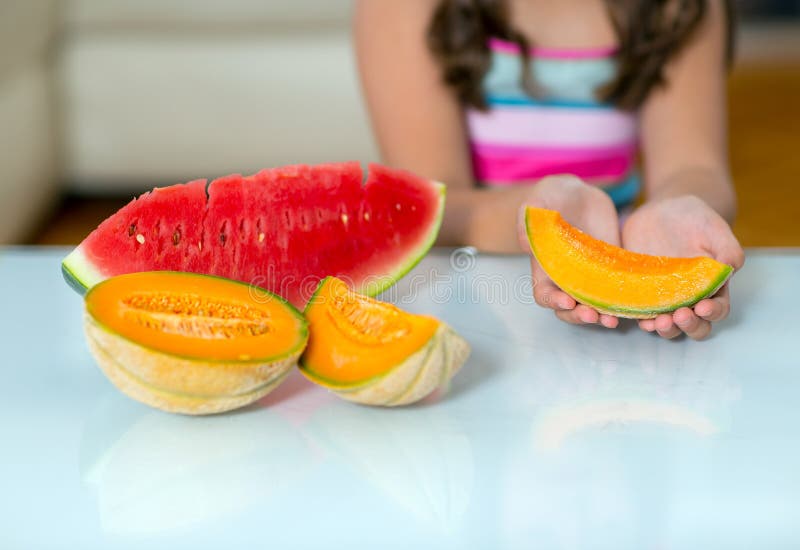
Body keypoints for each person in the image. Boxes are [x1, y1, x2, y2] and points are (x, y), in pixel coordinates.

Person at [354, 0, 745, 340]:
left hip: (625, 319)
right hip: (468, 306)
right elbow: (433, 211)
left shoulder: (680, 7)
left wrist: (684, 209)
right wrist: (543, 225)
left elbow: (695, 167)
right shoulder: (403, 7)